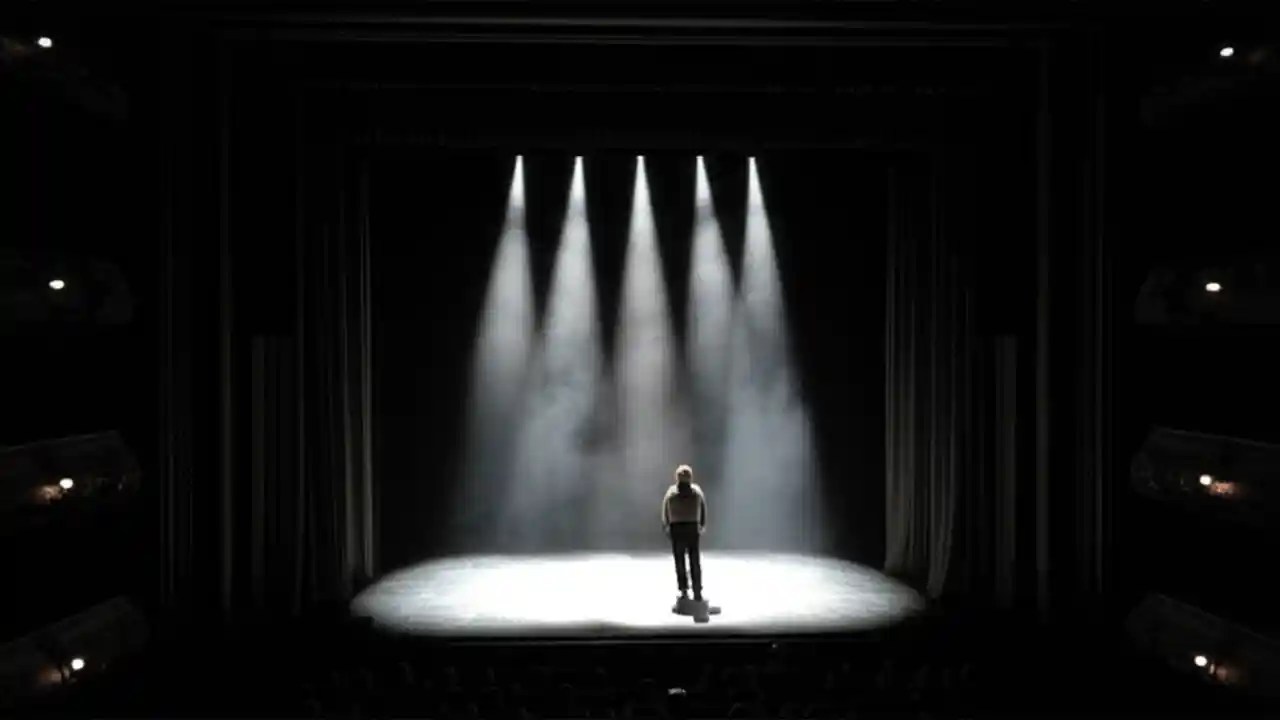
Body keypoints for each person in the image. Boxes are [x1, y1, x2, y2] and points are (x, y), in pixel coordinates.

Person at [662, 464, 707, 602]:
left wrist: (667, 526)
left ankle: (684, 590)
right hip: (692, 527)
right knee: (694, 560)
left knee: (680, 560)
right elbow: (703, 508)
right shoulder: (696, 491)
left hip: (677, 527)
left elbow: (665, 511)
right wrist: (702, 525)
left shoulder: (671, 492)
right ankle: (697, 591)